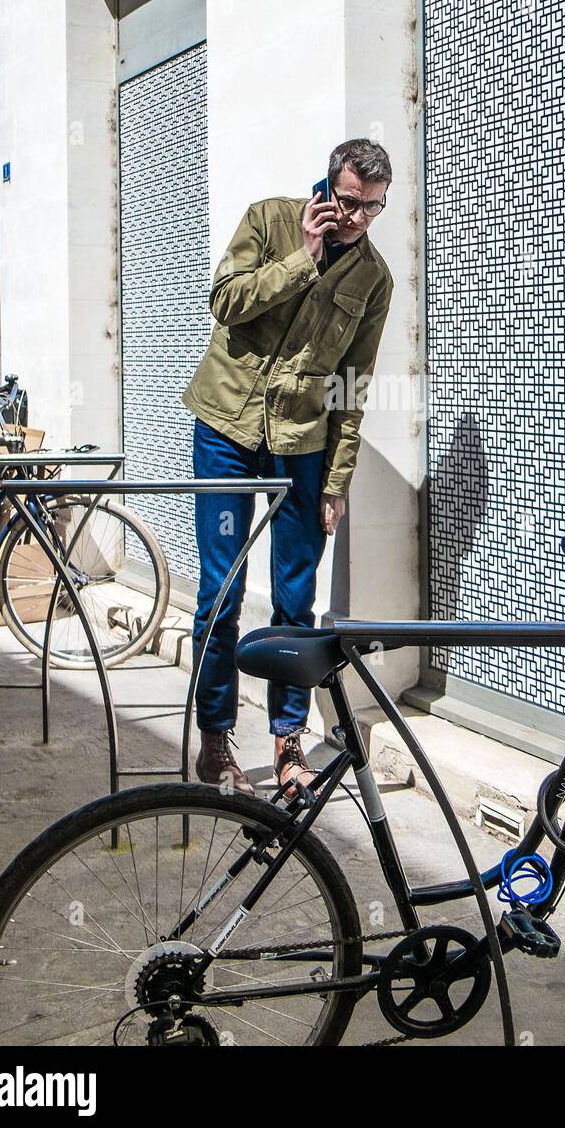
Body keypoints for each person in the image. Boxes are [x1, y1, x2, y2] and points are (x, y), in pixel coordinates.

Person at [181, 138, 394, 798]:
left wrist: (338, 481)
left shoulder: (374, 280)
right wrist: (301, 258)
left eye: (374, 208)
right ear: (329, 186)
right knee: (220, 591)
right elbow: (226, 302)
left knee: (295, 600)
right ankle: (215, 741)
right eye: (350, 201)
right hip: (226, 427)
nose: (357, 218)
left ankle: (287, 741)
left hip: (300, 442)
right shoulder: (270, 220)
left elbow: (353, 388)